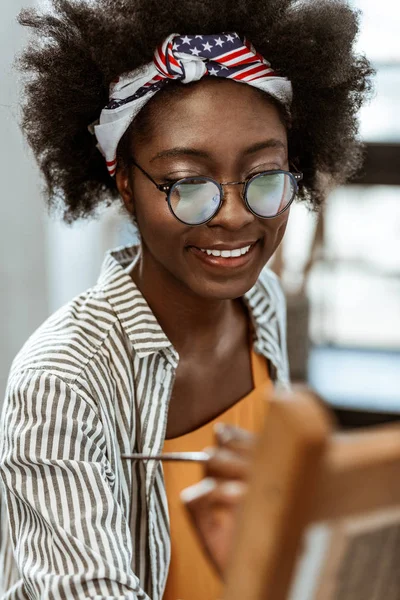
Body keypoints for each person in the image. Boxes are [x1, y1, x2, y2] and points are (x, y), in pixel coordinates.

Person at [0, 0, 372, 598]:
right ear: (125, 181)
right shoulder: (61, 384)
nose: (233, 216)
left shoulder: (263, 303)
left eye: (266, 176)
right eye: (187, 185)